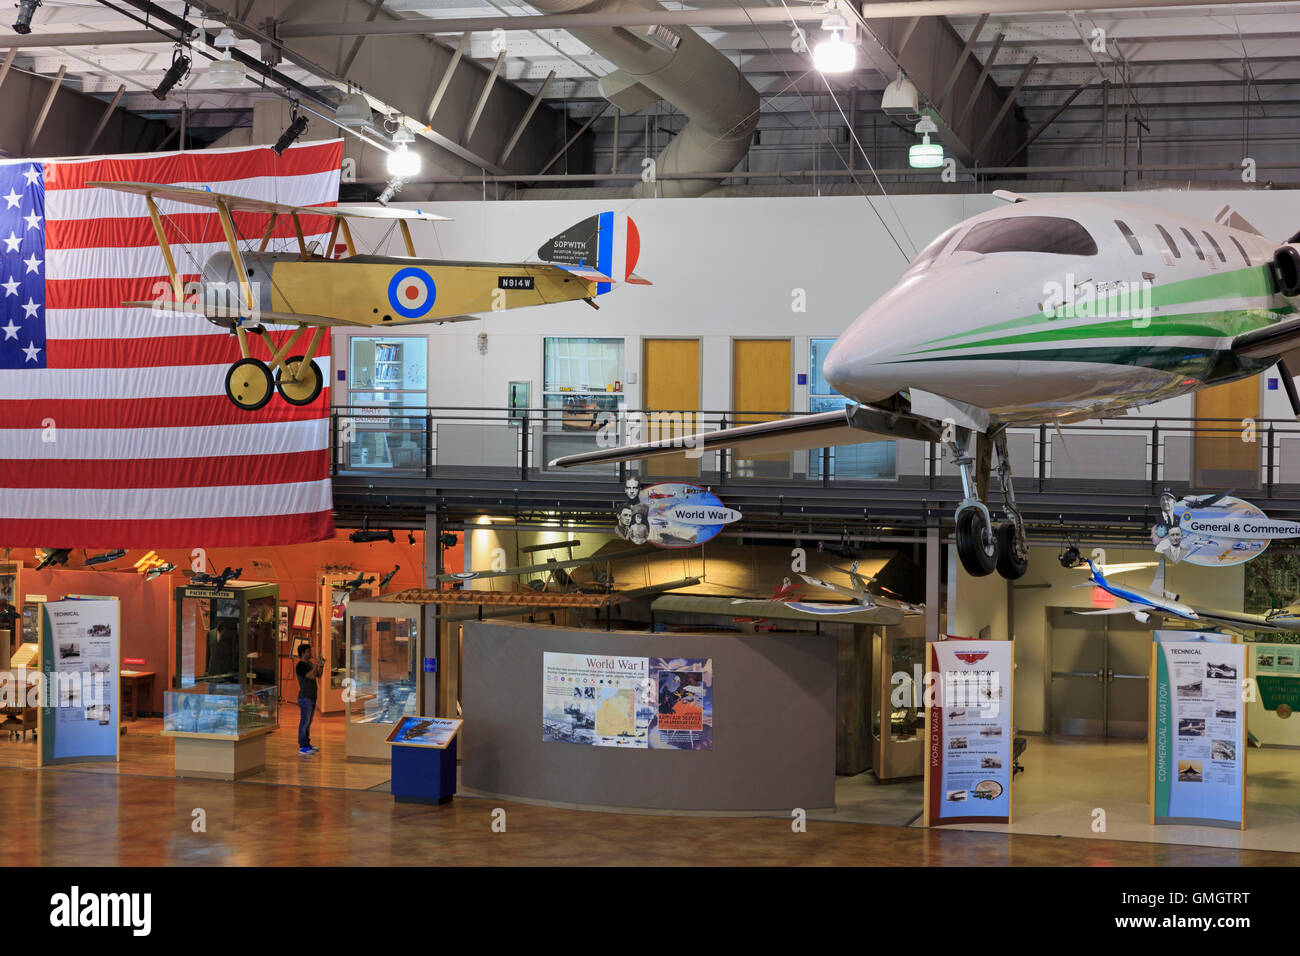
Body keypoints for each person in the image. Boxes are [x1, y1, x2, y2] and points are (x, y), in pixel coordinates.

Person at [295, 642, 324, 756]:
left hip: (312, 696)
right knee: (304, 722)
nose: (310, 653)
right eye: (308, 651)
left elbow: (318, 675)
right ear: (302, 653)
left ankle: (307, 744)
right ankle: (302, 746)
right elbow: (311, 675)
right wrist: (316, 665)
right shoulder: (300, 666)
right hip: (305, 697)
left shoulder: (310, 663)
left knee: (308, 722)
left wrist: (321, 665)